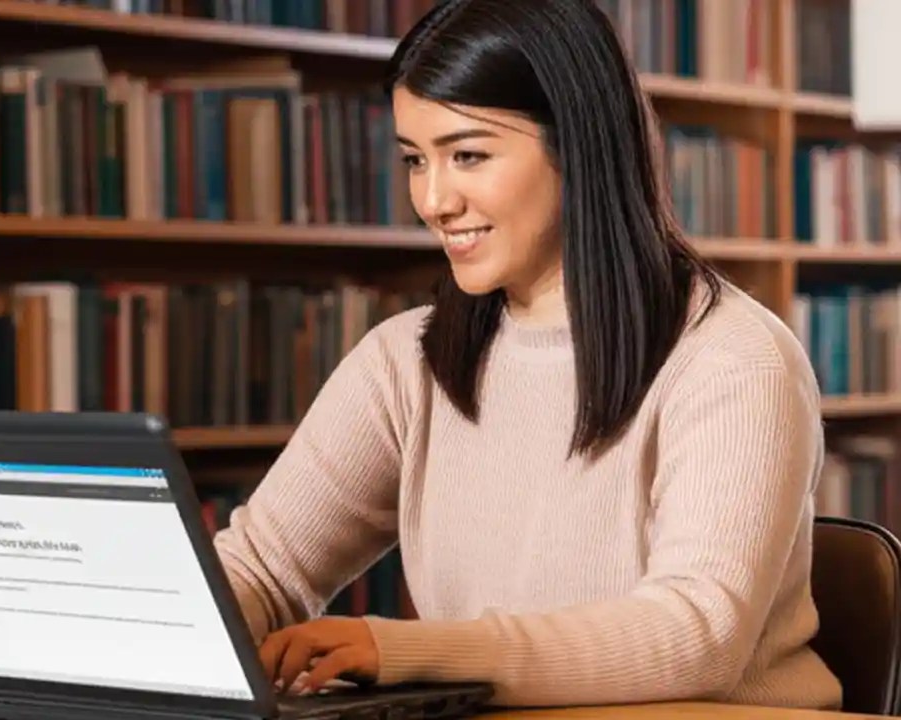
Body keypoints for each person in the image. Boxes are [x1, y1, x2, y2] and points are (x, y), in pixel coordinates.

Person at [210, 0, 843, 711]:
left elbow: (698, 632)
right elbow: (262, 569)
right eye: (416, 160)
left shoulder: (733, 359)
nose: (434, 199)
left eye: (468, 154)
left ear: (577, 145)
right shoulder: (403, 364)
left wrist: (405, 650)